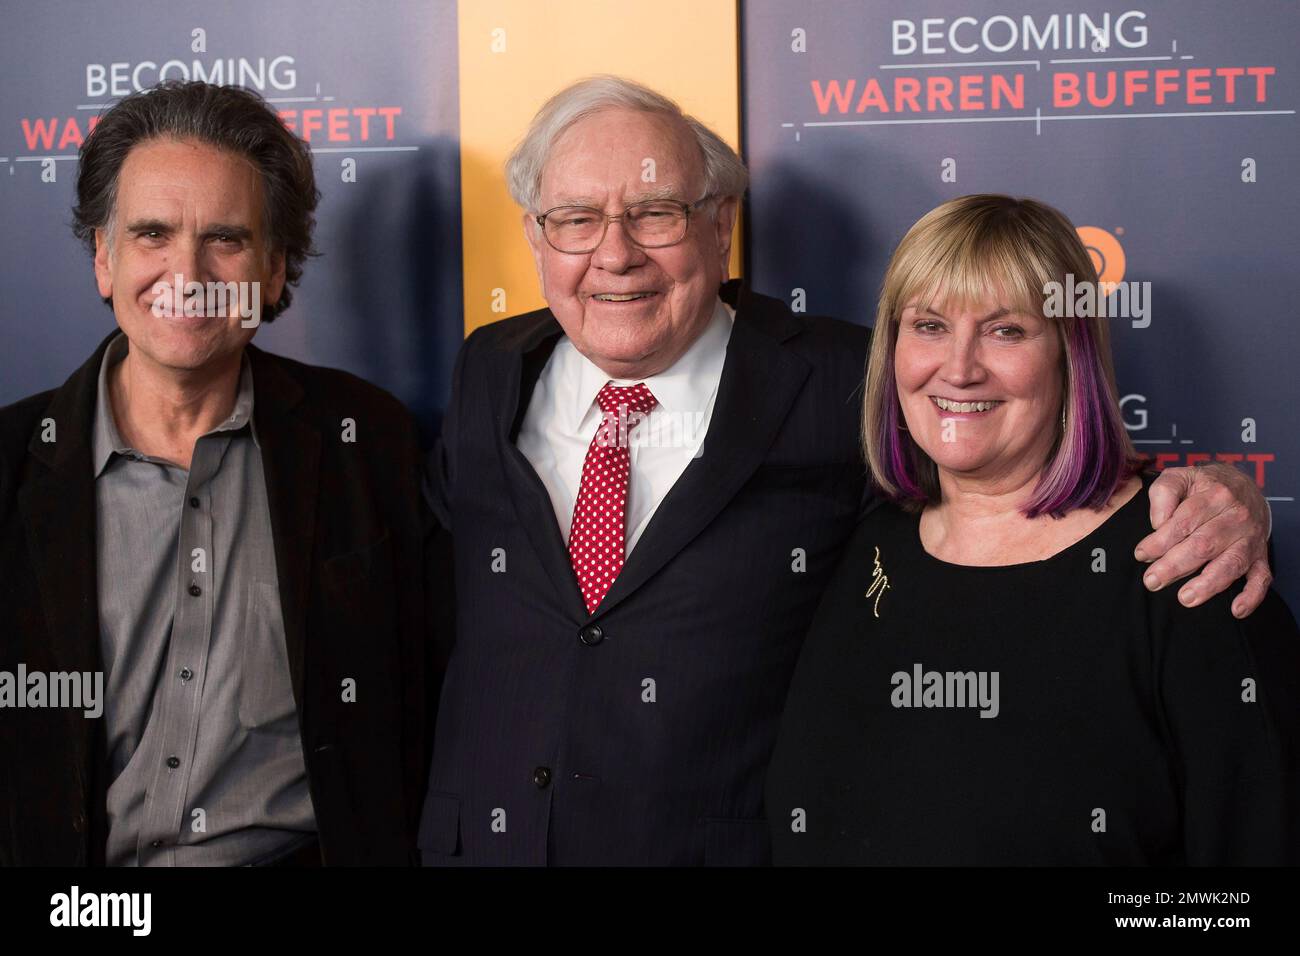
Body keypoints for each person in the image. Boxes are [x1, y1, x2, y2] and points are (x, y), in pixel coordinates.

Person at [419, 77, 1273, 865]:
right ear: (534, 233)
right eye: (573, 218)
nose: (614, 254)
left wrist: (1224, 496)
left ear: (720, 222)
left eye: (655, 212)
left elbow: (1018, 481)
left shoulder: (840, 383)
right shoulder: (491, 368)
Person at [766, 195, 1299, 865]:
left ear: (1068, 354)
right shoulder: (860, 543)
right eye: (928, 325)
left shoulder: (1187, 567)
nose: (959, 368)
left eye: (1006, 330)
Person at [0, 81, 440, 865]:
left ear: (274, 270)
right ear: (103, 257)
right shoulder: (8, 464)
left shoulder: (367, 445)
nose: (187, 271)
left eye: (226, 240)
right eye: (152, 234)